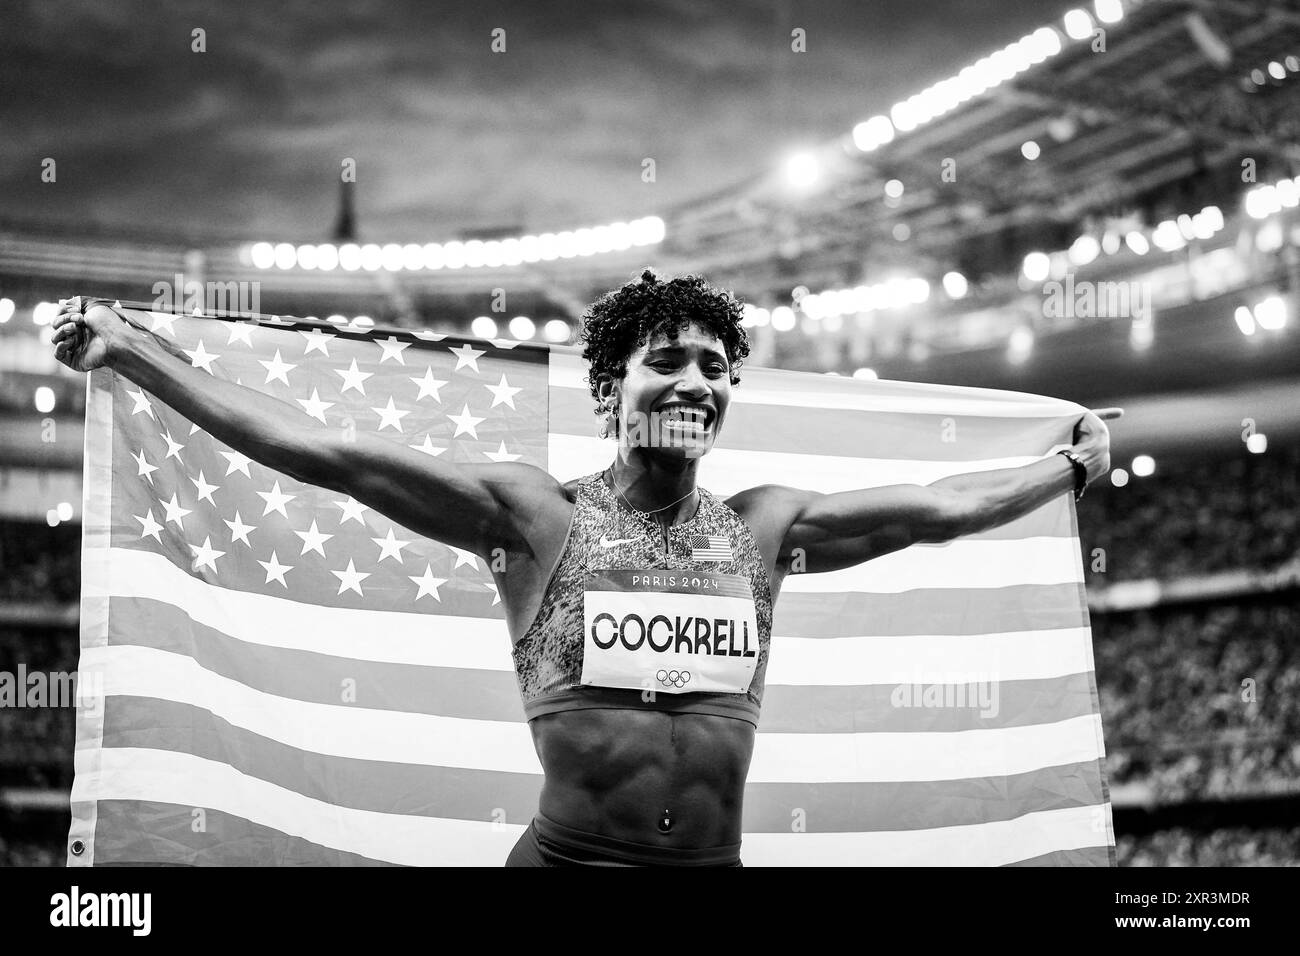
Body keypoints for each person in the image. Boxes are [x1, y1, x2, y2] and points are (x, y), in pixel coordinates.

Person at [51, 270, 1116, 867]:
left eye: (713, 364)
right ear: (611, 388)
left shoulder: (764, 528)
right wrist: (139, 356)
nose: (694, 380)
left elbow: (936, 511)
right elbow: (321, 452)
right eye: (666, 360)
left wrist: (1067, 465)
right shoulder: (534, 516)